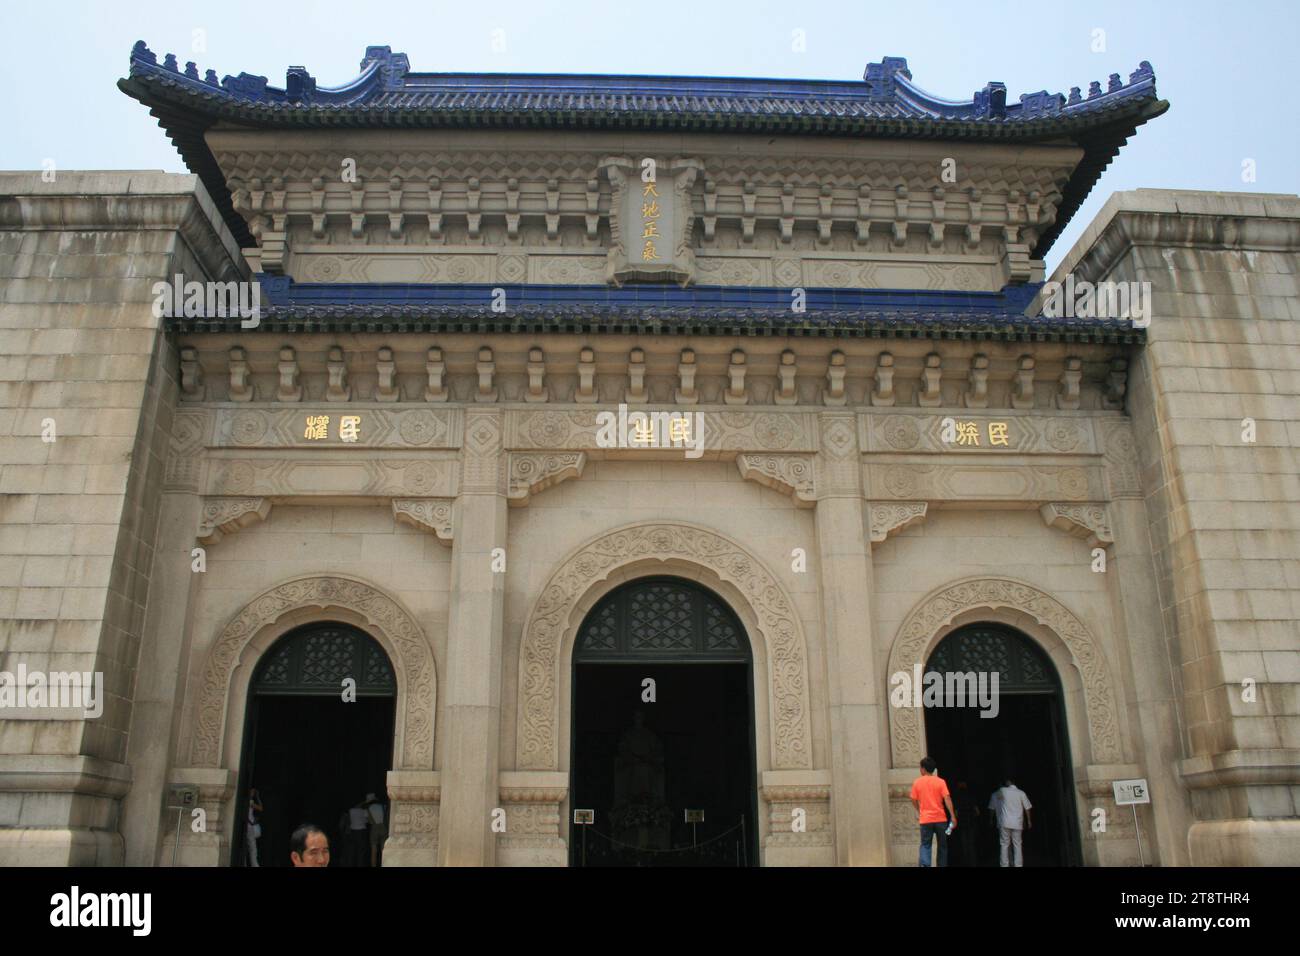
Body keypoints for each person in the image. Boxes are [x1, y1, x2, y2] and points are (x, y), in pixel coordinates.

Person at [910, 756, 956, 867]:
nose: (920, 770)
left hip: (925, 820)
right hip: (940, 819)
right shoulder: (941, 782)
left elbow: (913, 798)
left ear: (924, 769)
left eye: (920, 768)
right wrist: (953, 816)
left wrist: (919, 809)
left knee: (926, 845)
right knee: (942, 846)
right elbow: (947, 798)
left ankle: (925, 865)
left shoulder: (917, 782)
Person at [989, 776, 1033, 867]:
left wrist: (991, 819)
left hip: (1004, 822)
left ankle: (1004, 865)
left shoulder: (1000, 792)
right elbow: (1027, 808)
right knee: (1017, 844)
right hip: (1017, 823)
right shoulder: (1021, 793)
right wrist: (1029, 821)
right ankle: (1018, 865)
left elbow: (992, 806)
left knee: (1004, 844)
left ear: (1008, 782)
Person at [362, 792, 387, 867]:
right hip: (384, 828)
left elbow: (368, 821)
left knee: (374, 849)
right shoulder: (384, 806)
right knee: (383, 849)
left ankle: (373, 865)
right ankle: (385, 864)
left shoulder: (368, 809)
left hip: (374, 828)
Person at [347, 797, 371, 867]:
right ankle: (360, 864)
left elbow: (349, 821)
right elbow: (367, 821)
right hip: (361, 831)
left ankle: (351, 864)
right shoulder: (364, 811)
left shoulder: (351, 810)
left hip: (353, 831)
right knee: (361, 849)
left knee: (353, 849)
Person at [245, 788, 263, 867]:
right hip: (249, 827)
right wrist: (258, 797)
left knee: (246, 848)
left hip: (249, 826)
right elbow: (261, 808)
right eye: (252, 792)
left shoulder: (248, 801)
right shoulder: (250, 802)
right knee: (253, 850)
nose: (253, 793)